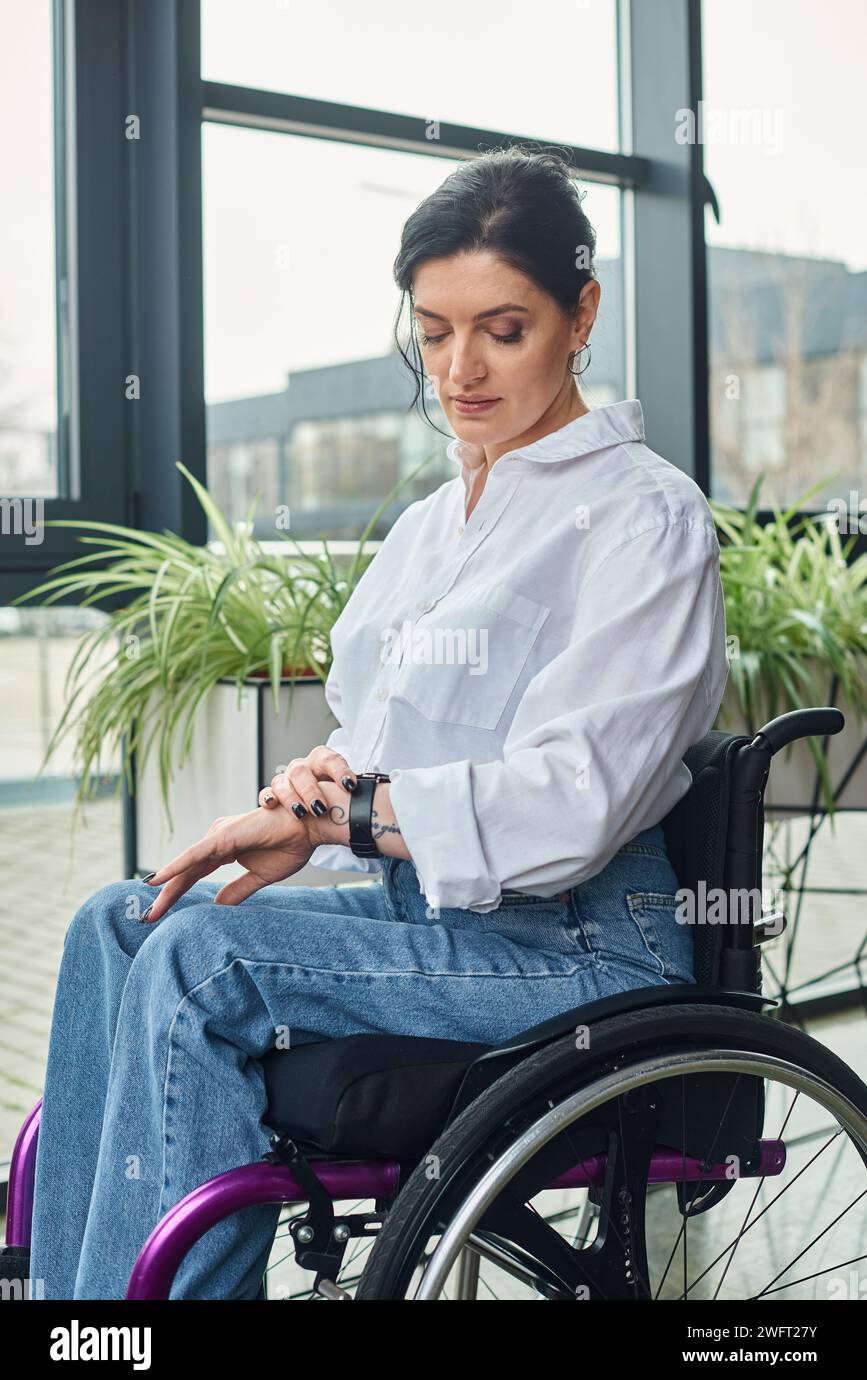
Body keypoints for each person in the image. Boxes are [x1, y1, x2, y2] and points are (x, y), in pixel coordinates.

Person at [27, 146, 729, 1300]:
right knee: (122, 918)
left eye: (502, 329)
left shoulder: (643, 519)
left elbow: (574, 798)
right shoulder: (431, 526)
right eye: (434, 330)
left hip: (585, 949)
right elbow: (387, 731)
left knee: (207, 961)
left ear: (582, 312)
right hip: (447, 917)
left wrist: (357, 815)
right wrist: (307, 809)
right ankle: (84, 1316)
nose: (462, 368)